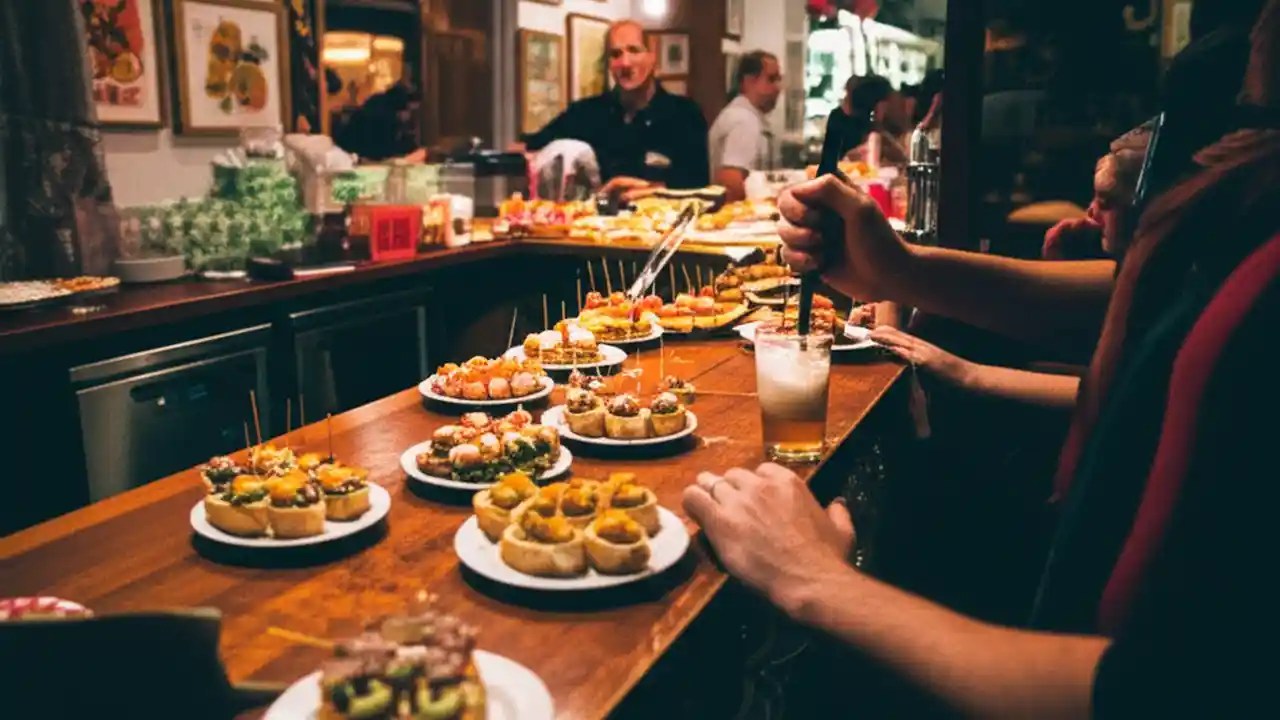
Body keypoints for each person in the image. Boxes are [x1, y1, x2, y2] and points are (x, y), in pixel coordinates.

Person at [685, 3, 1280, 716]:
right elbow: (1158, 305)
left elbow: (1185, 690)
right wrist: (899, 271)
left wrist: (816, 581)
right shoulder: (1255, 180)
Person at [521, 20, 709, 200]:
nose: (625, 63)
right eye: (615, 54)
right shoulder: (585, 113)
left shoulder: (685, 115)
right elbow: (528, 148)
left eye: (634, 50)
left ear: (653, 57)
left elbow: (699, 186)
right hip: (593, 229)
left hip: (663, 226)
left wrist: (649, 189)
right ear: (608, 64)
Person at [708, 50, 783, 202]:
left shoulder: (748, 116)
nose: (778, 87)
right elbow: (730, 182)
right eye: (771, 79)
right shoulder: (743, 120)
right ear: (749, 81)